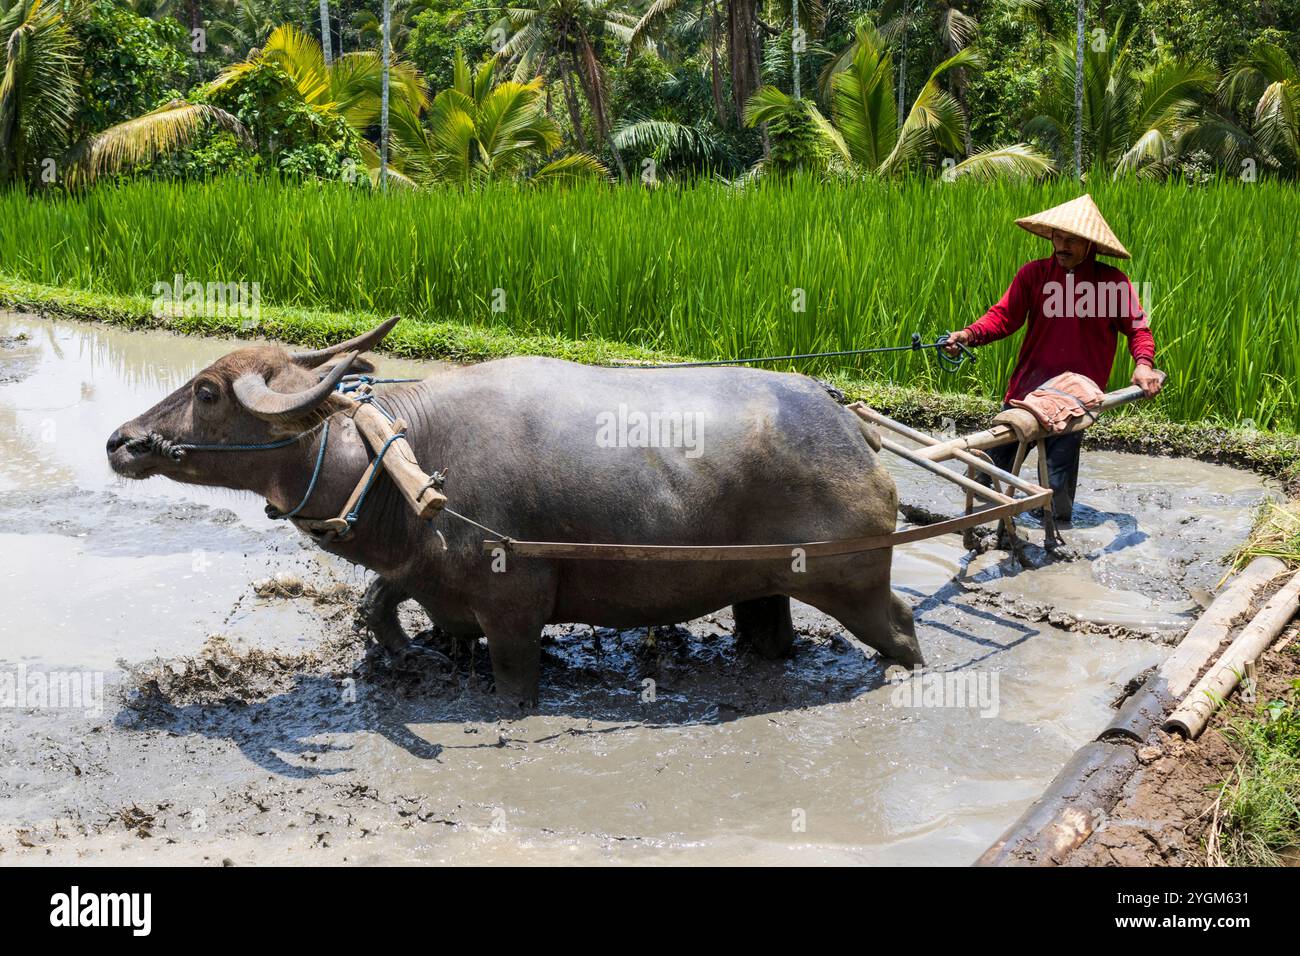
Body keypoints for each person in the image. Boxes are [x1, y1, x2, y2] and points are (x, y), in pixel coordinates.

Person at [943, 194, 1165, 524]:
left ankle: (1054, 542)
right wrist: (968, 335)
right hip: (1027, 394)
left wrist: (1143, 363)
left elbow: (1138, 330)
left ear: (1089, 243)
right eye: (1058, 237)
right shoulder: (1034, 275)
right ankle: (978, 530)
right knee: (982, 479)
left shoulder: (1112, 283)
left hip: (1075, 399)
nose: (1062, 246)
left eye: (1072, 239)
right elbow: (1003, 318)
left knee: (1056, 494)